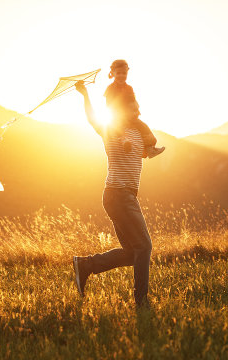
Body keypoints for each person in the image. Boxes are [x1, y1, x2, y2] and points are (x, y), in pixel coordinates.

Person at [71, 67, 153, 309]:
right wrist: (85, 94)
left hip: (126, 196)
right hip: (118, 195)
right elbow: (93, 119)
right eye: (131, 106)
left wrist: (150, 149)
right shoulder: (112, 132)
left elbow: (148, 151)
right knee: (144, 247)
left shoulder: (139, 132)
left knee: (132, 252)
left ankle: (85, 265)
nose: (136, 109)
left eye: (136, 105)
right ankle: (141, 301)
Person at [105, 59, 165, 158]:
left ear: (127, 73)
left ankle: (149, 149)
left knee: (145, 128)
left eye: (124, 73)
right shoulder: (110, 88)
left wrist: (136, 110)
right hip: (118, 116)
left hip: (130, 116)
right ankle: (124, 141)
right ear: (113, 73)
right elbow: (109, 105)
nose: (121, 75)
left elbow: (133, 101)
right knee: (118, 126)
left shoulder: (129, 88)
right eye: (118, 73)